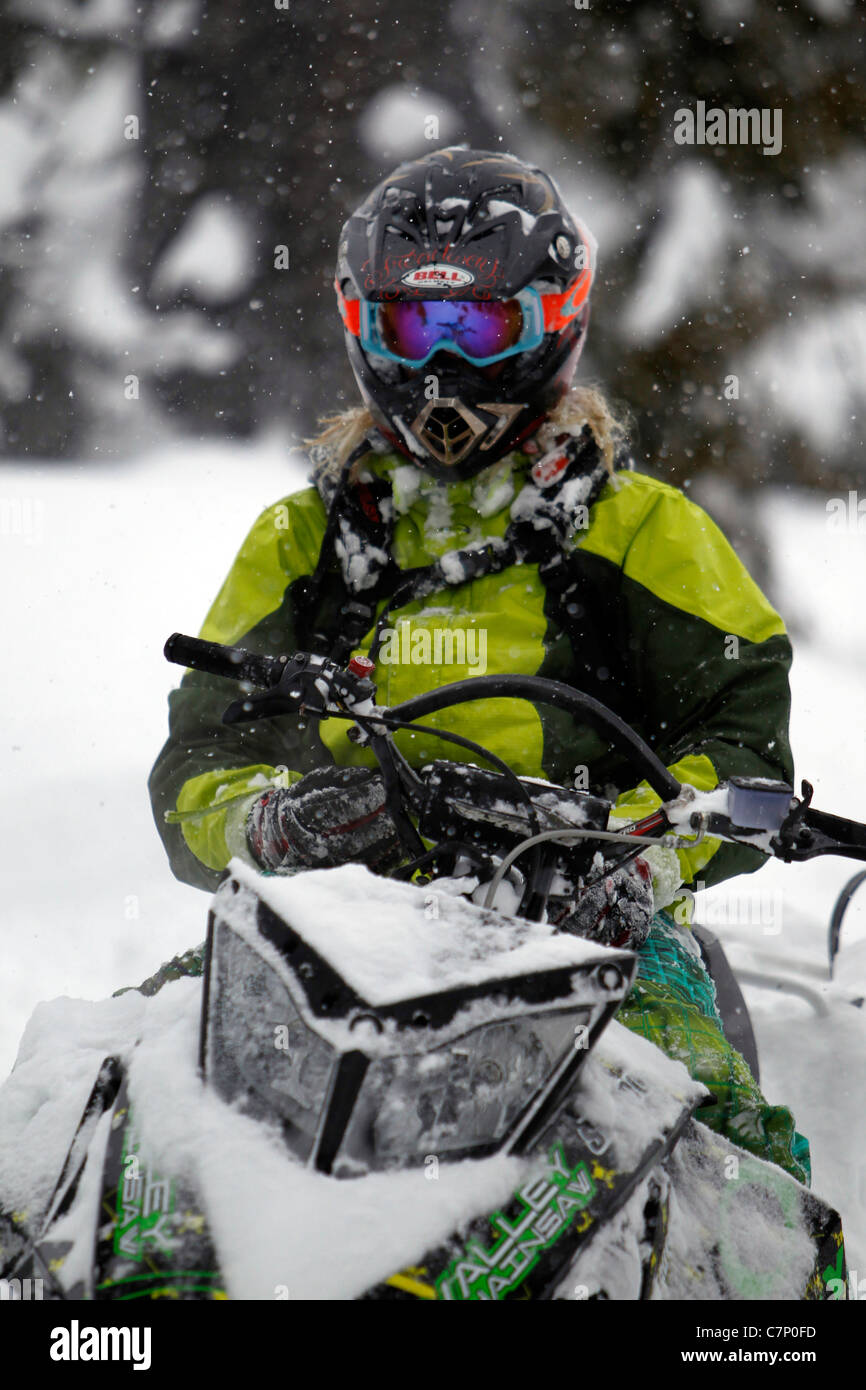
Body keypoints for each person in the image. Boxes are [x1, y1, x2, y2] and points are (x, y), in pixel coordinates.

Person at [149, 147, 809, 1183]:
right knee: (134, 1077)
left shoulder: (645, 532)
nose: (439, 371)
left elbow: (745, 748)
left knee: (711, 1147)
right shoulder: (299, 542)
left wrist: (624, 853)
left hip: (595, 941)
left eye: (474, 327)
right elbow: (196, 766)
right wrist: (278, 820)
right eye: (412, 327)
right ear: (360, 325)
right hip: (329, 920)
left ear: (550, 320)